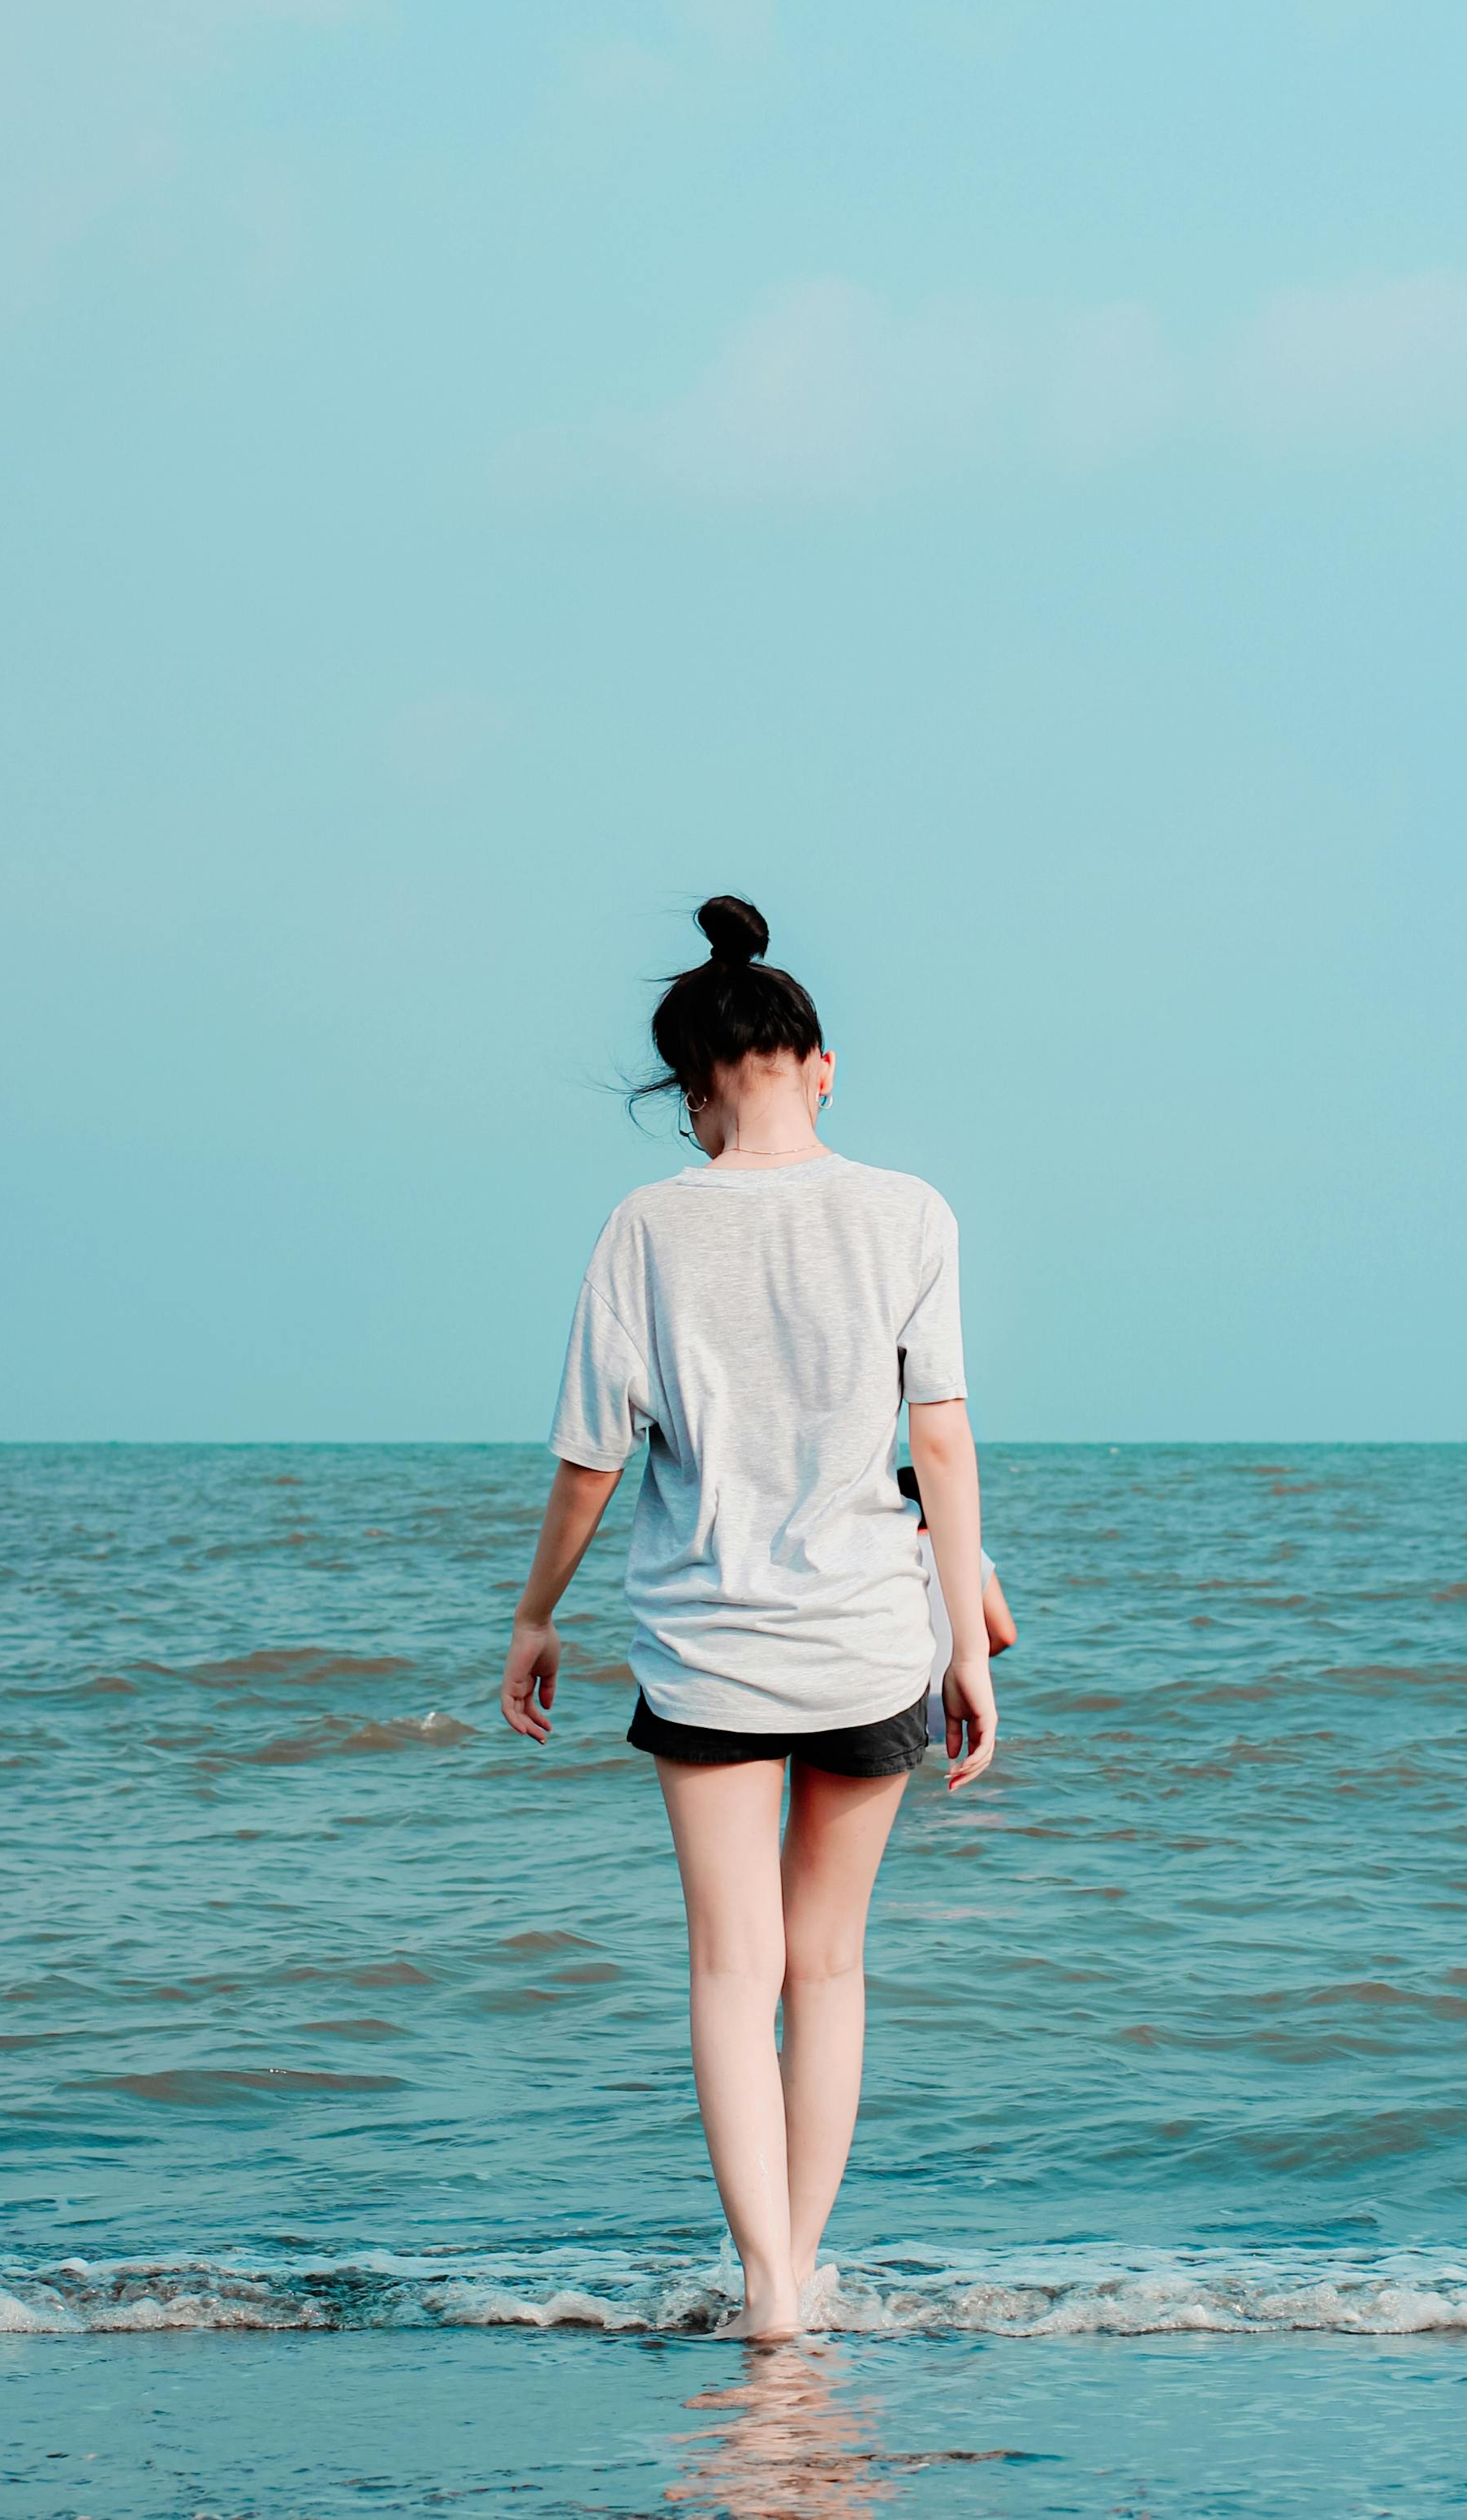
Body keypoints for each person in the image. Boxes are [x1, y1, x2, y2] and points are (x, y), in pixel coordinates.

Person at [498, 895, 998, 2341]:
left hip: (706, 1640)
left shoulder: (646, 1226)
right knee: (827, 1962)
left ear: (686, 1092)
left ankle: (765, 2288)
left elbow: (593, 1456)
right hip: (866, 1636)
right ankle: (807, 2268)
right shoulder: (907, 1208)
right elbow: (943, 1440)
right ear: (818, 1063)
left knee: (730, 1967)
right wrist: (965, 1637)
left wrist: (534, 1615)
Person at [896, 1462, 1017, 1741]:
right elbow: (1005, 1635)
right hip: (958, 1691)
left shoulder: (884, 1557)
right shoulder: (968, 1555)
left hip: (896, 1693)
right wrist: (964, 1659)